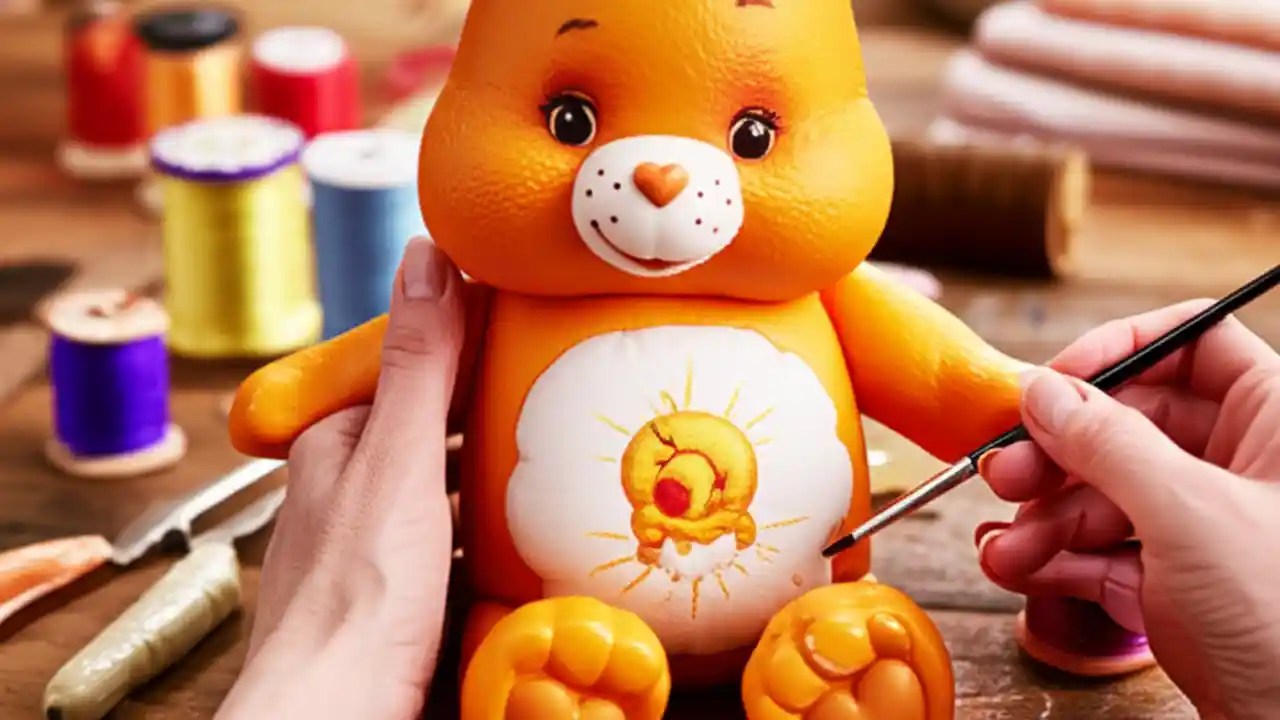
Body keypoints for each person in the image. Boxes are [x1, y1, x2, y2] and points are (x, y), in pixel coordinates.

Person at [216, 240, 1280, 719]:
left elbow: (963, 386)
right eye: (573, 120)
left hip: (803, 603)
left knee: (829, 628)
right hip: (524, 601)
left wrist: (1045, 410)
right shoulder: (501, 299)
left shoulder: (826, 295)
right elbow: (284, 402)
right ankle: (555, 676)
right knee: (526, 639)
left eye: (754, 138)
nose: (664, 182)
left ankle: (826, 669)